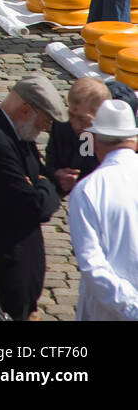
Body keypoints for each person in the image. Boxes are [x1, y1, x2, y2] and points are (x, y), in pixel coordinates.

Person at [0, 76, 65, 320]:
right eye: (43, 124)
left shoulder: (17, 132)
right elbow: (35, 206)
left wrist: (42, 183)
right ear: (26, 110)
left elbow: (39, 175)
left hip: (21, 269)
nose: (43, 131)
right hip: (3, 272)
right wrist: (47, 184)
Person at [67, 99, 138, 320]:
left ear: (95, 143)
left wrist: (132, 308)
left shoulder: (88, 190)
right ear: (134, 140)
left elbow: (92, 266)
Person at [45, 77, 110, 193]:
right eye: (71, 115)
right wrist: (56, 174)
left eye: (82, 119)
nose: (75, 125)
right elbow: (50, 163)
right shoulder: (62, 127)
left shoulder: (113, 139)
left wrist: (80, 181)